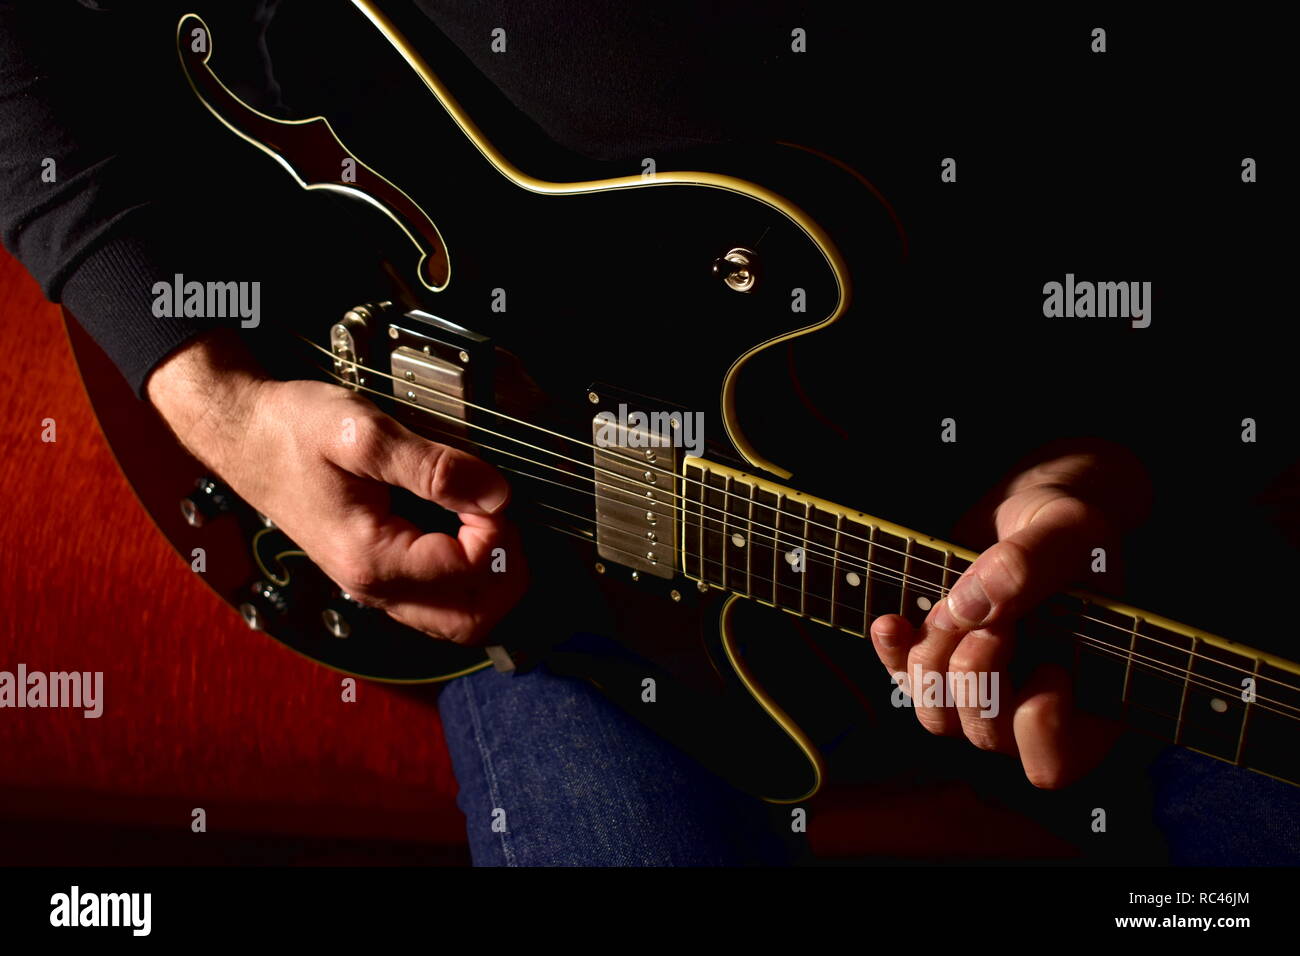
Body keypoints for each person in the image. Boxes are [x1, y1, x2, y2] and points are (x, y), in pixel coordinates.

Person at [3, 0, 1295, 865]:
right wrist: (209, 391)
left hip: (1030, 510)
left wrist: (1098, 461)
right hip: (567, 596)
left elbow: (1202, 160)